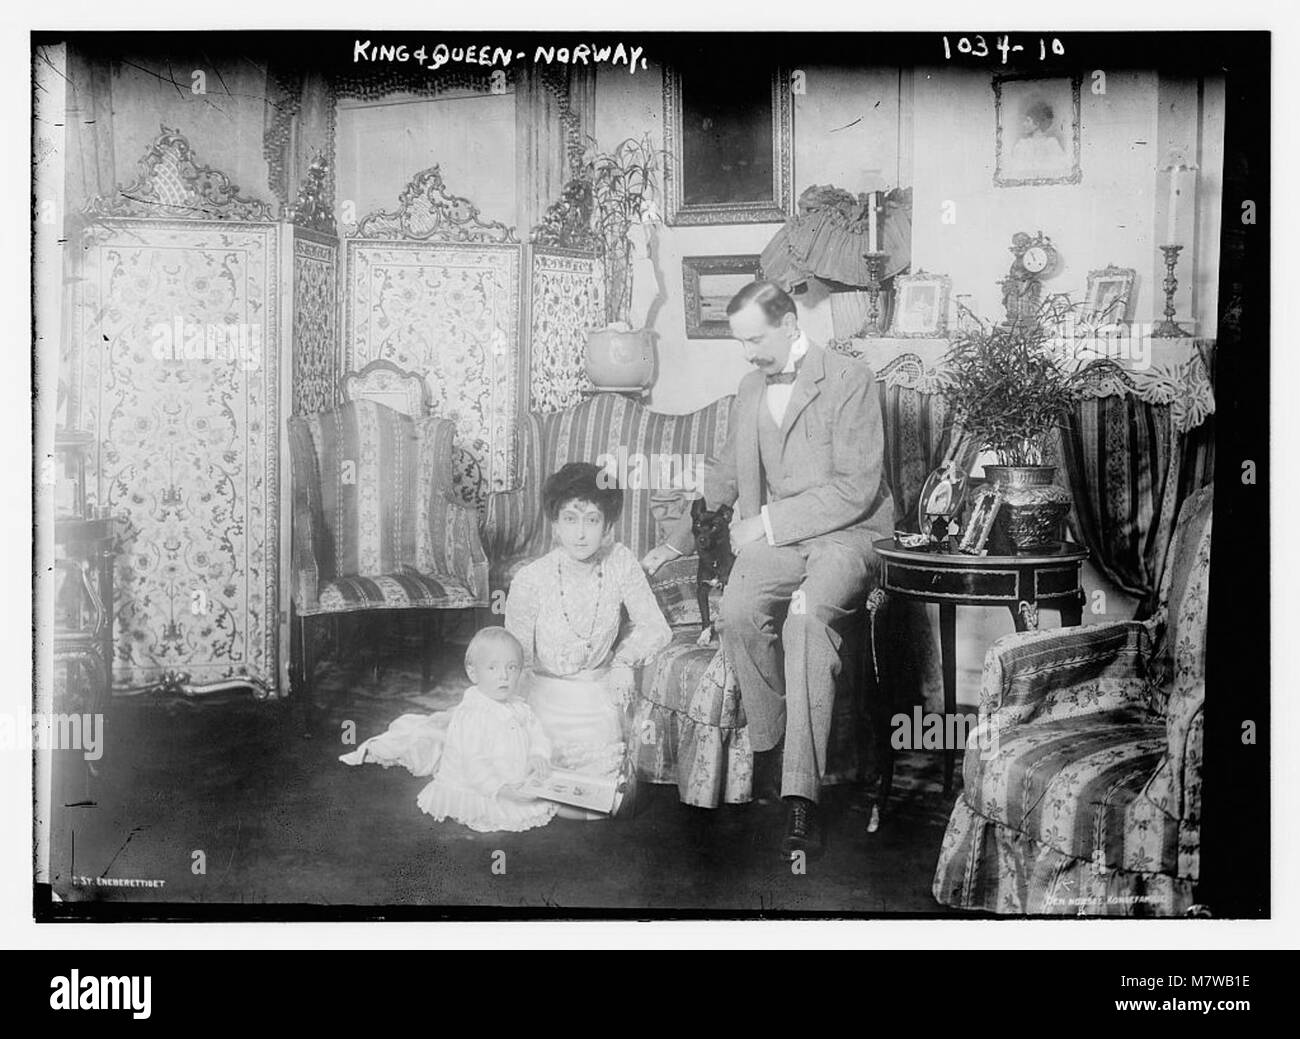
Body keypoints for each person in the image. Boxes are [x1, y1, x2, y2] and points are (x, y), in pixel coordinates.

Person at [642, 280, 894, 857]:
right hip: (778, 541)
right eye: (741, 343)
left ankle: (801, 799)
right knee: (736, 611)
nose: (748, 353)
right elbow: (726, 475)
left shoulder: (850, 379)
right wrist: (675, 543)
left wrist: (768, 524)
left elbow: (856, 487)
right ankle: (776, 746)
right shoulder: (751, 386)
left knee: (805, 622)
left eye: (754, 339)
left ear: (788, 324)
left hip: (846, 536)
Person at [506, 462, 673, 820]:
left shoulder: (620, 562)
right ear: (554, 525)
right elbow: (515, 659)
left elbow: (656, 627)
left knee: (606, 800)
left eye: (592, 520)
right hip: (542, 699)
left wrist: (624, 662)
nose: (580, 534)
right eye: (570, 519)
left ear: (608, 526)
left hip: (595, 697)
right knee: (524, 776)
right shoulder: (531, 579)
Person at [339, 627, 558, 833]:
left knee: (552, 794)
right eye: (492, 668)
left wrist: (538, 753)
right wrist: (500, 789)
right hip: (480, 784)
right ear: (473, 673)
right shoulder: (474, 714)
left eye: (512, 667)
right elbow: (474, 763)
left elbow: (536, 732)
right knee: (504, 807)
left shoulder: (519, 706)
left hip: (512, 774)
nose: (504, 676)